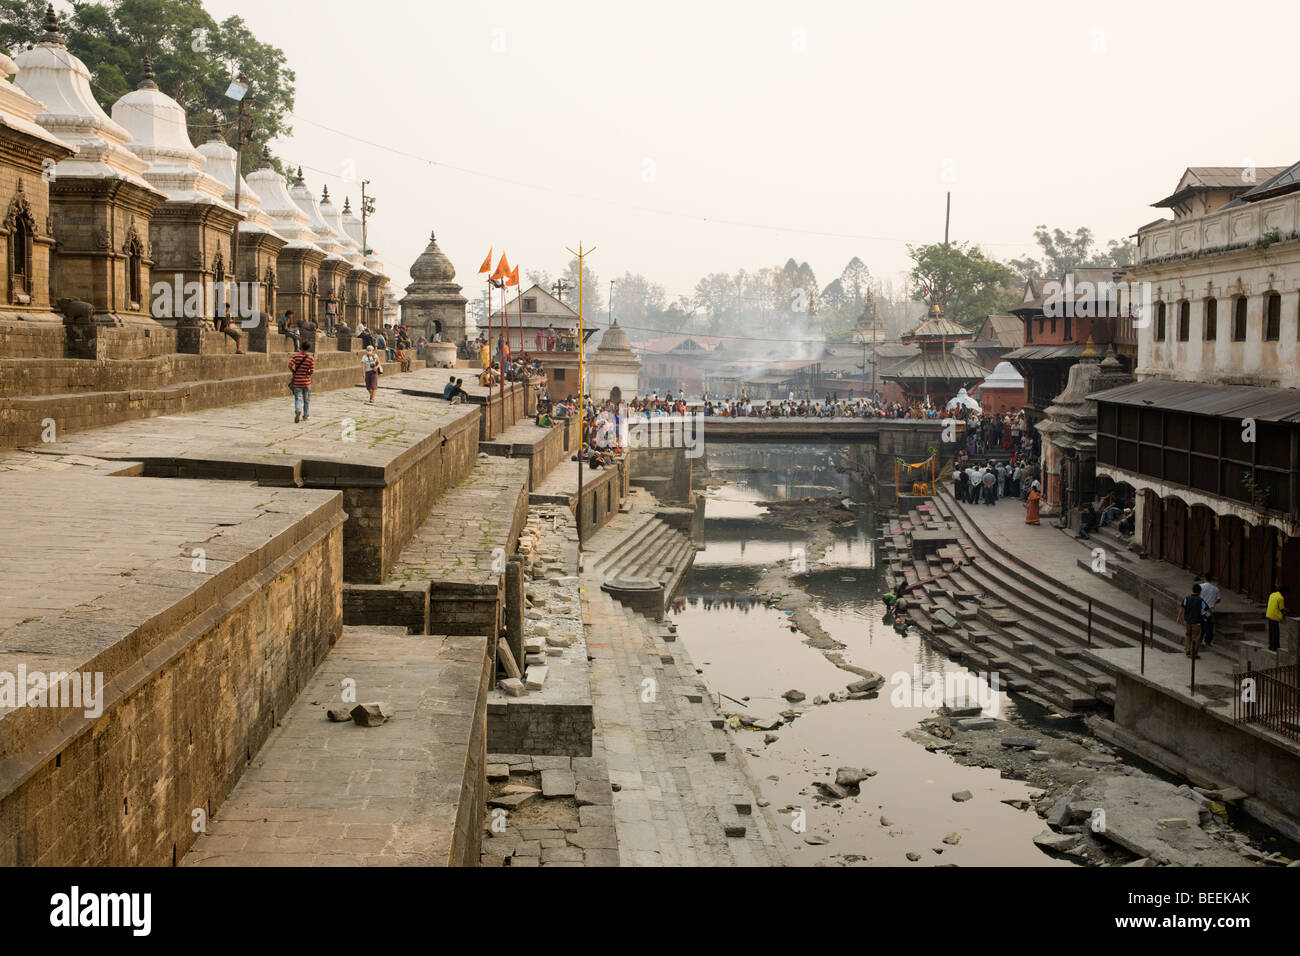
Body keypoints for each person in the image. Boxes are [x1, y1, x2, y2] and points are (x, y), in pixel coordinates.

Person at [1176, 583, 1206, 659]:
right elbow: (1206, 610)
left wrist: (1178, 617)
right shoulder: (1200, 600)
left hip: (1188, 621)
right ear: (1200, 591)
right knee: (1196, 638)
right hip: (1197, 622)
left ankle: (1188, 649)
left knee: (1188, 635)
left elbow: (1182, 608)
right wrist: (1208, 616)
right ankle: (1193, 653)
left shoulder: (1187, 598)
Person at [289, 342, 314, 422]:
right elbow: (312, 370)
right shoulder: (310, 358)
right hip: (306, 382)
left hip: (297, 381)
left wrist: (293, 371)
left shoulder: (296, 356)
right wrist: (308, 373)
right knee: (306, 400)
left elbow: (290, 365)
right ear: (308, 348)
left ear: (301, 347)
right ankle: (306, 416)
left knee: (298, 398)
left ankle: (298, 410)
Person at [1198, 573, 1221, 647]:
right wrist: (1213, 602)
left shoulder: (1200, 586)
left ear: (1204, 578)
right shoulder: (1215, 589)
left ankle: (1200, 640)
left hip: (1201, 610)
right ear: (1211, 579)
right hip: (1210, 610)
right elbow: (1219, 600)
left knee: (1200, 625)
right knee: (1209, 626)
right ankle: (1208, 641)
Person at [1266, 585, 1288, 652]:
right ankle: (1275, 647)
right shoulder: (1281, 598)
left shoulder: (1272, 594)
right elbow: (1282, 609)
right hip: (1275, 617)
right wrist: (1285, 613)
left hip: (1269, 615)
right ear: (1283, 592)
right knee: (1275, 633)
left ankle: (1271, 646)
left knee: (1271, 632)